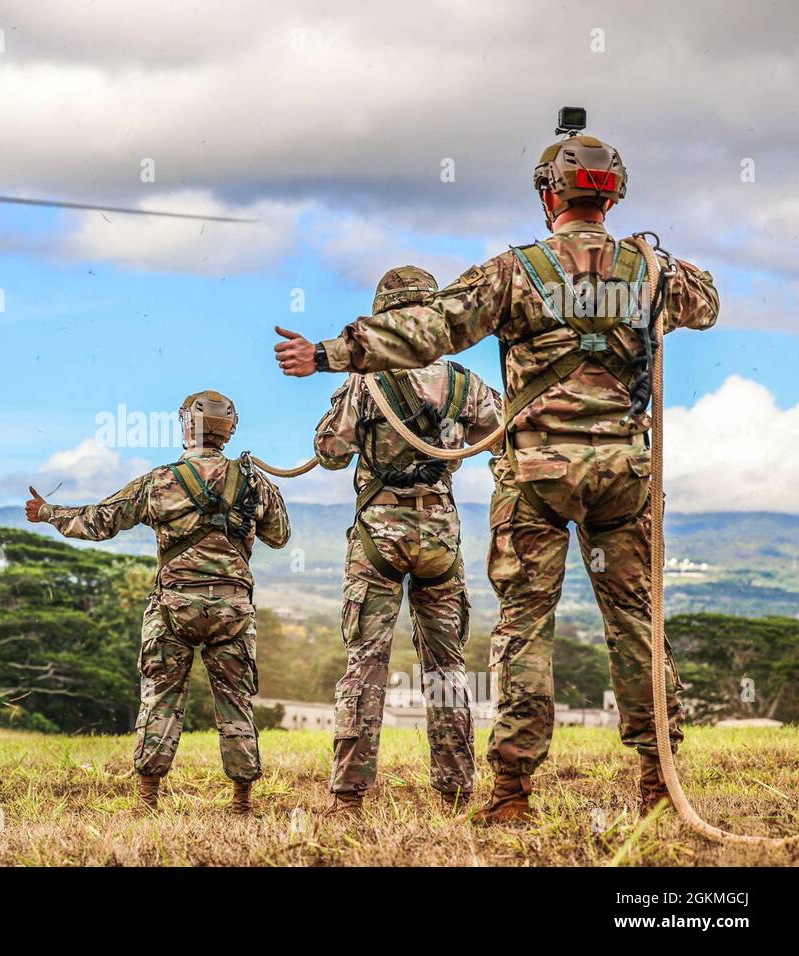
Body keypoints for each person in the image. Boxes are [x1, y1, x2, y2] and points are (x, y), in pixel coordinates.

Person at [274, 129, 718, 823]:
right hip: (626, 472)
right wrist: (652, 266)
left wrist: (334, 353)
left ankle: (511, 793)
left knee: (524, 626)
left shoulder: (513, 273)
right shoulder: (655, 272)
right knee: (636, 624)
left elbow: (431, 328)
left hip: (536, 474)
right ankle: (659, 783)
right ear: (615, 193)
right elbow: (708, 305)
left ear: (548, 196)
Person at [26, 391, 290, 813]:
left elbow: (99, 522)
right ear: (231, 429)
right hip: (233, 612)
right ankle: (241, 803)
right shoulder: (254, 480)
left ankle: (148, 799)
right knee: (236, 703)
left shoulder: (159, 481)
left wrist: (47, 512)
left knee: (161, 699)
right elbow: (280, 536)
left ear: (186, 427)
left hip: (173, 609)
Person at [313, 266, 502, 814]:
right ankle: (457, 790)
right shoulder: (466, 383)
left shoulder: (365, 379)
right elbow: (500, 435)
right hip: (440, 533)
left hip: (379, 531)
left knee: (366, 663)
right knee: (446, 669)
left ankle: (349, 796)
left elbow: (329, 450)